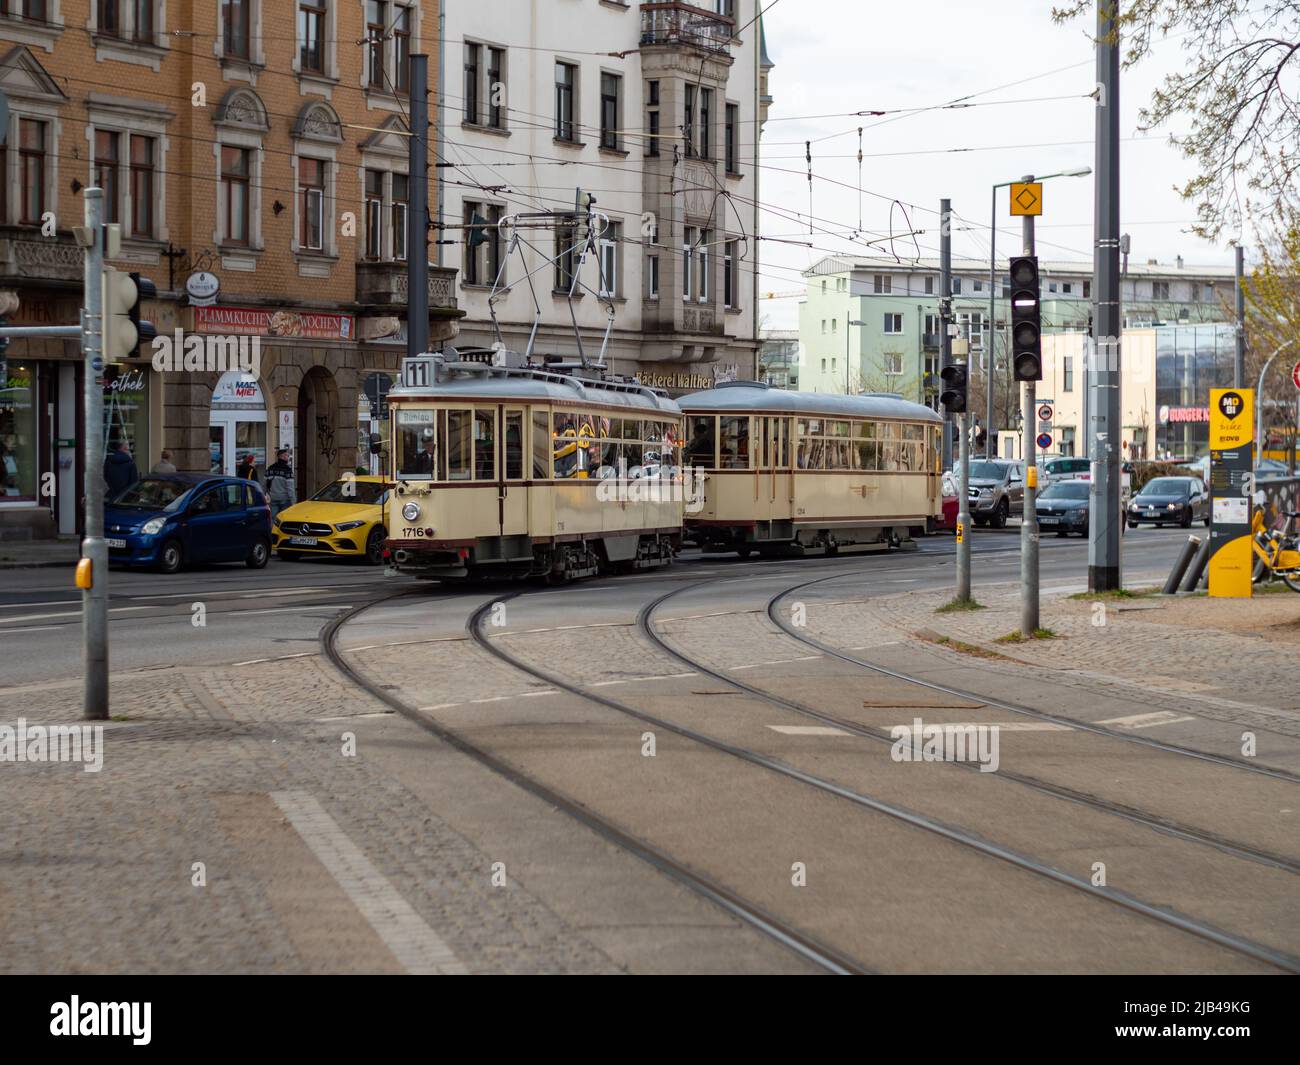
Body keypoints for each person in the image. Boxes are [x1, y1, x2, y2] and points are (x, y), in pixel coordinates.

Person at [265, 448, 296, 517]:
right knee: (283, 518)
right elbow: (290, 488)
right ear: (282, 456)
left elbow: (265, 484)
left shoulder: (270, 468)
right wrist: (293, 501)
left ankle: (273, 528)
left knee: (273, 518)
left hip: (273, 497)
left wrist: (267, 495)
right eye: (287, 456)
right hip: (284, 499)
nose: (288, 457)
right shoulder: (287, 470)